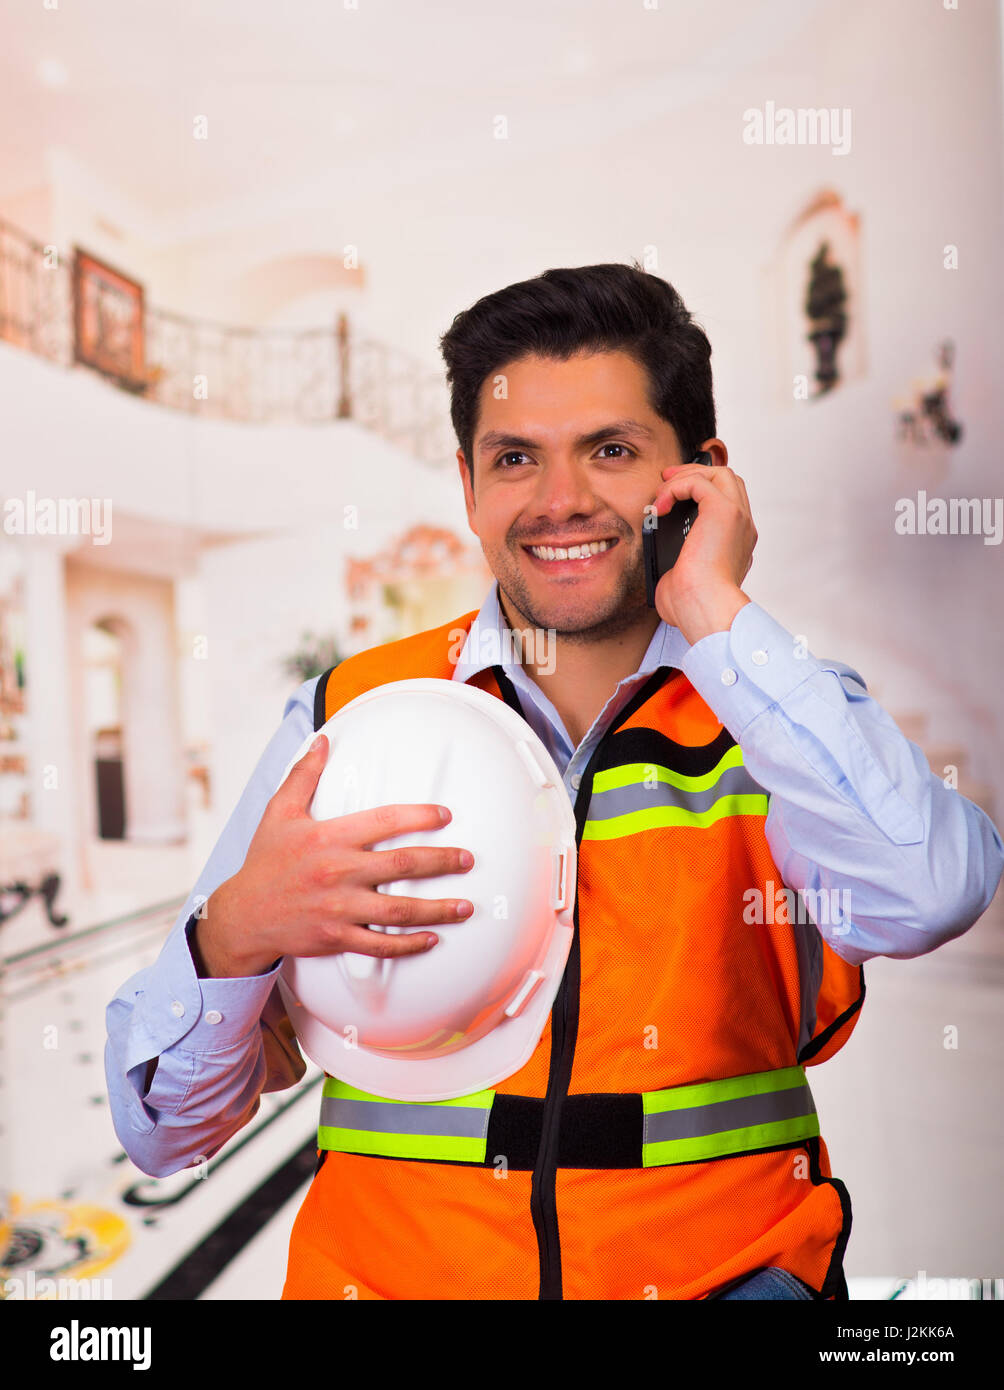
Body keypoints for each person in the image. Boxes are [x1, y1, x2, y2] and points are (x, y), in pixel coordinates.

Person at [105, 262, 1004, 1301]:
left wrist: (713, 609)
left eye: (610, 451)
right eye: (515, 458)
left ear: (701, 474)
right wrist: (232, 932)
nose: (560, 500)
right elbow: (162, 1129)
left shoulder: (776, 712)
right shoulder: (347, 713)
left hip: (726, 1281)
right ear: (469, 488)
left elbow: (929, 892)